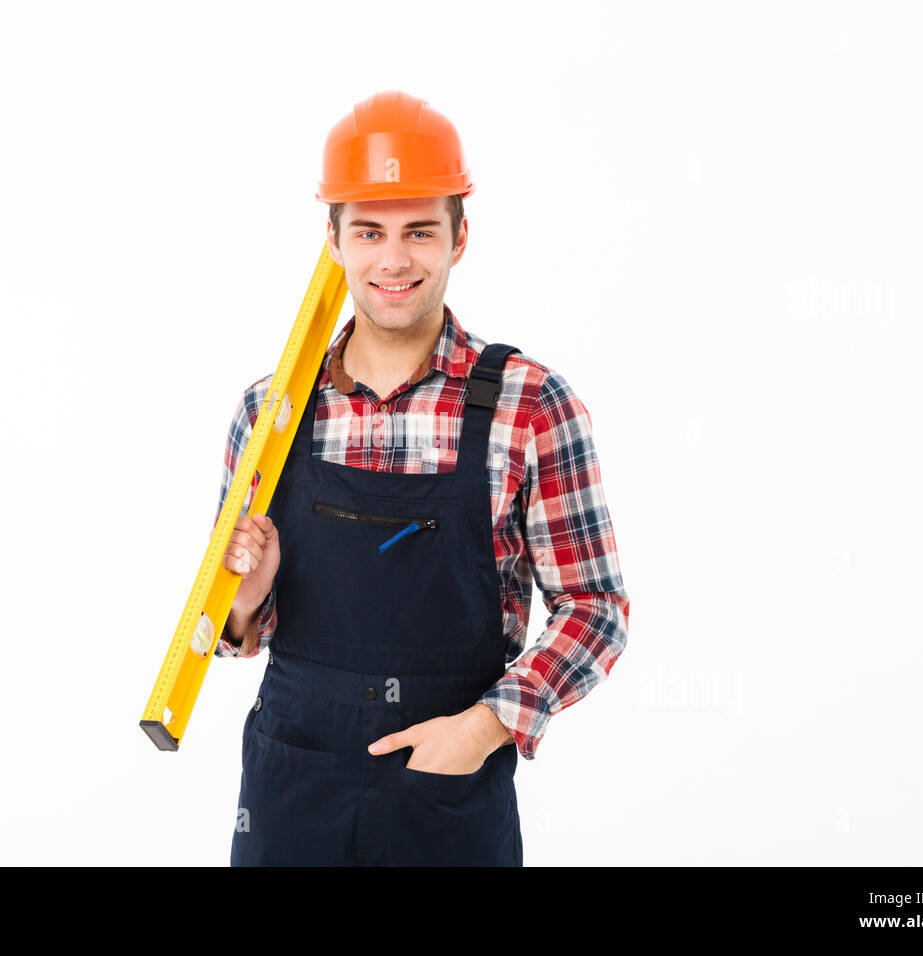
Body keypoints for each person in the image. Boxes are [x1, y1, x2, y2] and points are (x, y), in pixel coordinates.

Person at [211, 90, 630, 866]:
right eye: (369, 231)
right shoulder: (270, 412)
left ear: (459, 237)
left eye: (419, 231)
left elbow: (595, 609)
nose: (393, 259)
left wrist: (485, 728)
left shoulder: (531, 405)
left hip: (449, 792)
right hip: (291, 786)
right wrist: (244, 597)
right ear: (333, 240)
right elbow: (237, 638)